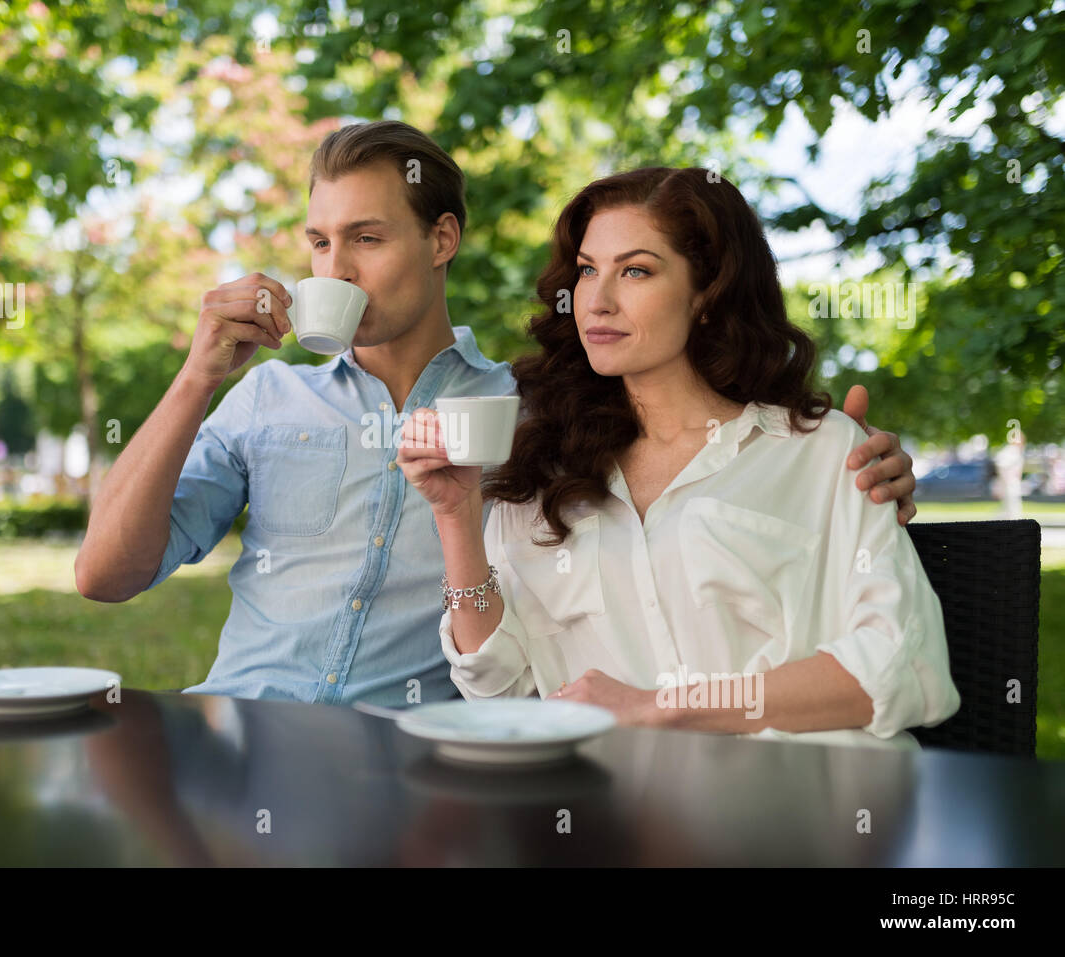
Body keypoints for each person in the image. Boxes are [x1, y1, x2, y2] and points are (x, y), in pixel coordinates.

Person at [76, 123, 919, 708]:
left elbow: (699, 432)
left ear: (441, 240)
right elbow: (104, 576)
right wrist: (196, 376)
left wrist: (855, 463)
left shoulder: (541, 409)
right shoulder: (265, 397)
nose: (335, 268)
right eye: (320, 243)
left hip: (413, 764)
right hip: (238, 730)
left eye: (366, 239)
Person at [397, 166, 958, 748]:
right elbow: (498, 689)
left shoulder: (825, 451)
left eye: (636, 271)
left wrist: (660, 707)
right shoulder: (543, 468)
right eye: (588, 270)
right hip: (619, 814)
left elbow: (900, 664)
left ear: (708, 295)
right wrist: (457, 518)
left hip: (807, 804)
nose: (599, 300)